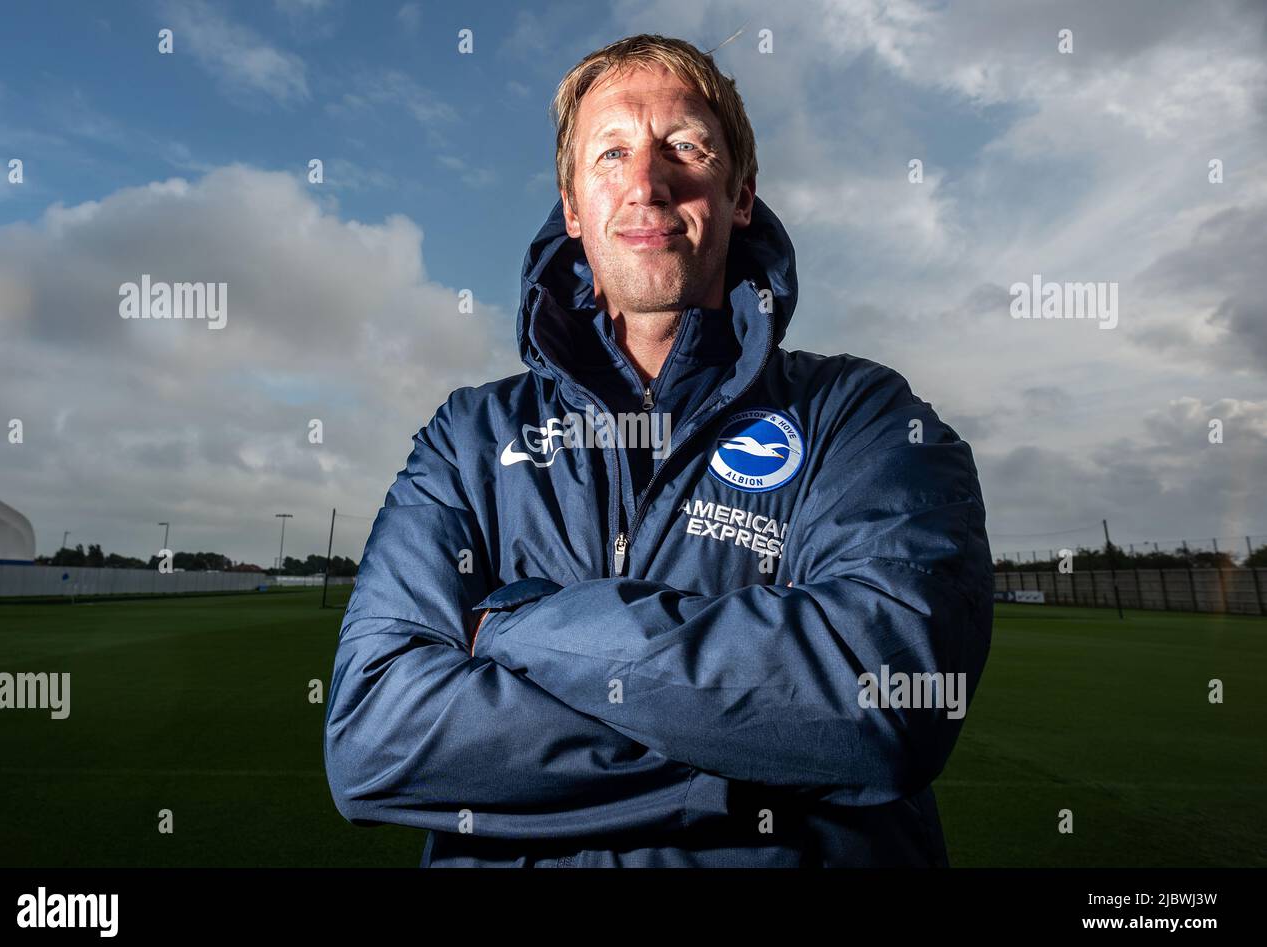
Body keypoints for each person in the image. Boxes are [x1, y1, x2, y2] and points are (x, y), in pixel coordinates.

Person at [324, 33, 993, 867]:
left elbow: (886, 700)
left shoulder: (862, 416)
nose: (647, 181)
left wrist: (519, 624)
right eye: (611, 153)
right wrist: (765, 757)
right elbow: (374, 739)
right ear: (572, 208)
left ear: (740, 195)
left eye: (685, 145)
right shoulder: (468, 439)